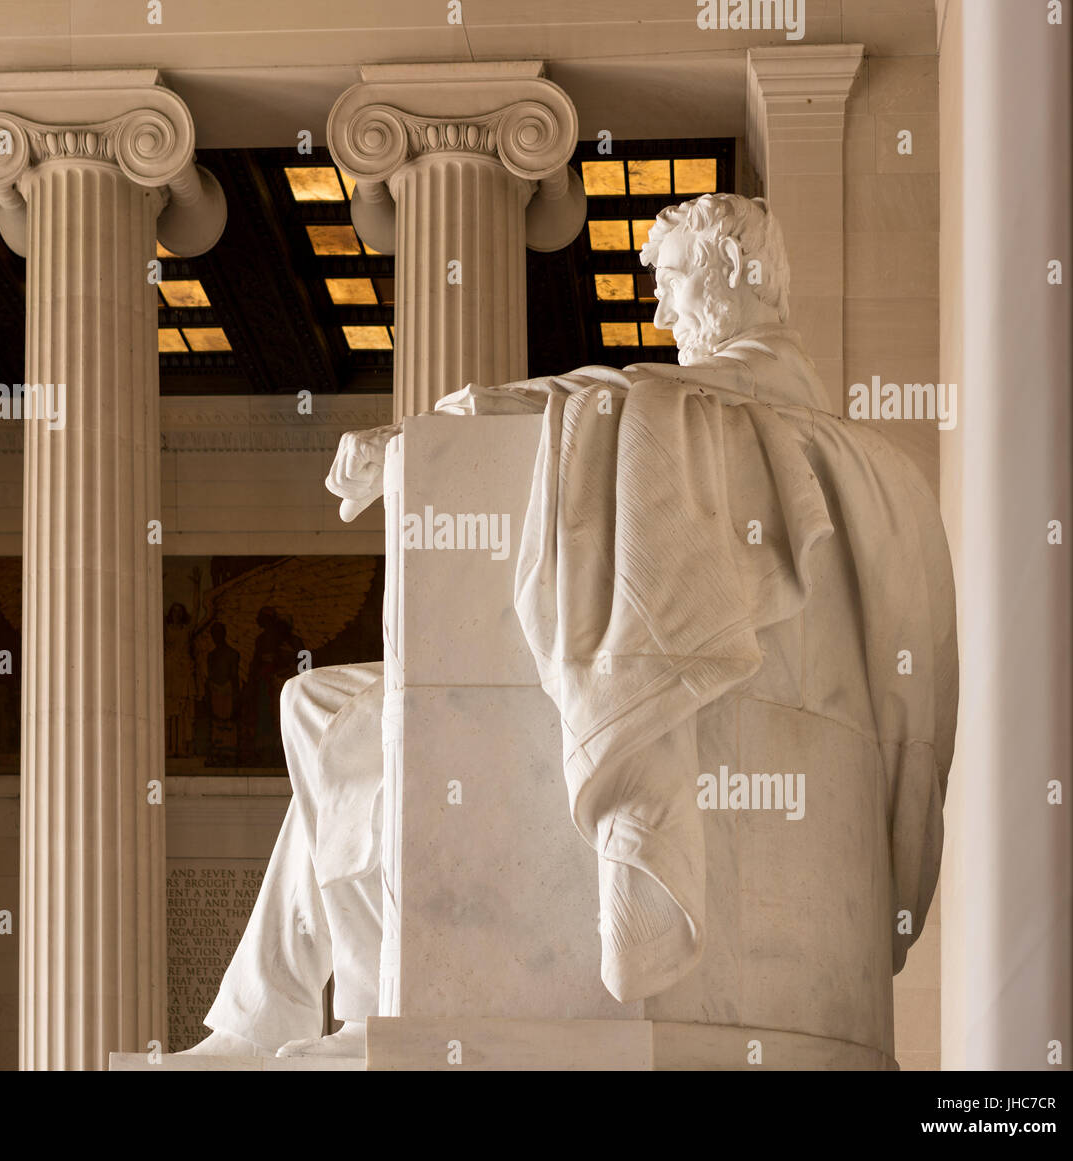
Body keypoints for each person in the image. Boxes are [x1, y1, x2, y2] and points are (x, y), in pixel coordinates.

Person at [189, 193, 956, 1058]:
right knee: (317, 704)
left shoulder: (746, 396)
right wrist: (415, 436)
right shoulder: (701, 401)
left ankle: (304, 1014)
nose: (661, 312)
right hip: (557, 682)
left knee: (343, 723)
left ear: (738, 272)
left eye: (670, 280)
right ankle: (327, 1006)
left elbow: (621, 393)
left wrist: (433, 426)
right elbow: (622, 390)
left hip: (591, 696)